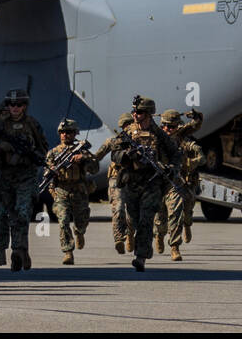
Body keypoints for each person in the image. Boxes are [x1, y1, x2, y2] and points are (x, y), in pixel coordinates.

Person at [111, 96, 181, 272]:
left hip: (151, 183)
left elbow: (175, 154)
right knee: (133, 220)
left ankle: (140, 257)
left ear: (149, 114)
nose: (135, 115)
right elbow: (115, 153)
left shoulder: (159, 134)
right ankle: (131, 236)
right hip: (131, 182)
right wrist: (127, 155)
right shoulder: (127, 132)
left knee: (146, 220)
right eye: (134, 111)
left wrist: (171, 168)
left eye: (140, 112)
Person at [0, 89, 49, 272]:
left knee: (22, 213)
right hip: (5, 175)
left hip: (26, 175)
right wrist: (1, 146)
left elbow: (43, 148)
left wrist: (32, 155)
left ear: (24, 106)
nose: (14, 108)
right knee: (3, 214)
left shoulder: (32, 124)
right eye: (11, 105)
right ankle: (8, 250)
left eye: (18, 105)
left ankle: (19, 250)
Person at [153, 109, 204, 262]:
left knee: (176, 212)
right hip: (158, 180)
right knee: (160, 216)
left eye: (171, 127)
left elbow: (195, 125)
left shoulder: (181, 137)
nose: (167, 130)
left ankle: (175, 246)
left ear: (177, 126)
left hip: (174, 180)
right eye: (165, 126)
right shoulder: (155, 137)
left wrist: (197, 116)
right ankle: (159, 235)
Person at [44, 119, 97, 265]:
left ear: (75, 134)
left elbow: (95, 168)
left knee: (82, 220)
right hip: (61, 190)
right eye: (62, 132)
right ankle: (68, 251)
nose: (65, 135)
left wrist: (83, 158)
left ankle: (79, 232)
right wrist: (52, 176)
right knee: (63, 221)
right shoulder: (53, 153)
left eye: (68, 132)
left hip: (79, 190)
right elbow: (47, 174)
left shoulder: (82, 151)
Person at [94, 113, 134, 253]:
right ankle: (119, 238)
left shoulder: (140, 142)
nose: (128, 127)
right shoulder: (113, 141)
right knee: (118, 208)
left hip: (134, 179)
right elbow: (97, 156)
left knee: (132, 213)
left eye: (130, 124)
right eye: (125, 125)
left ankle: (130, 234)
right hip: (116, 178)